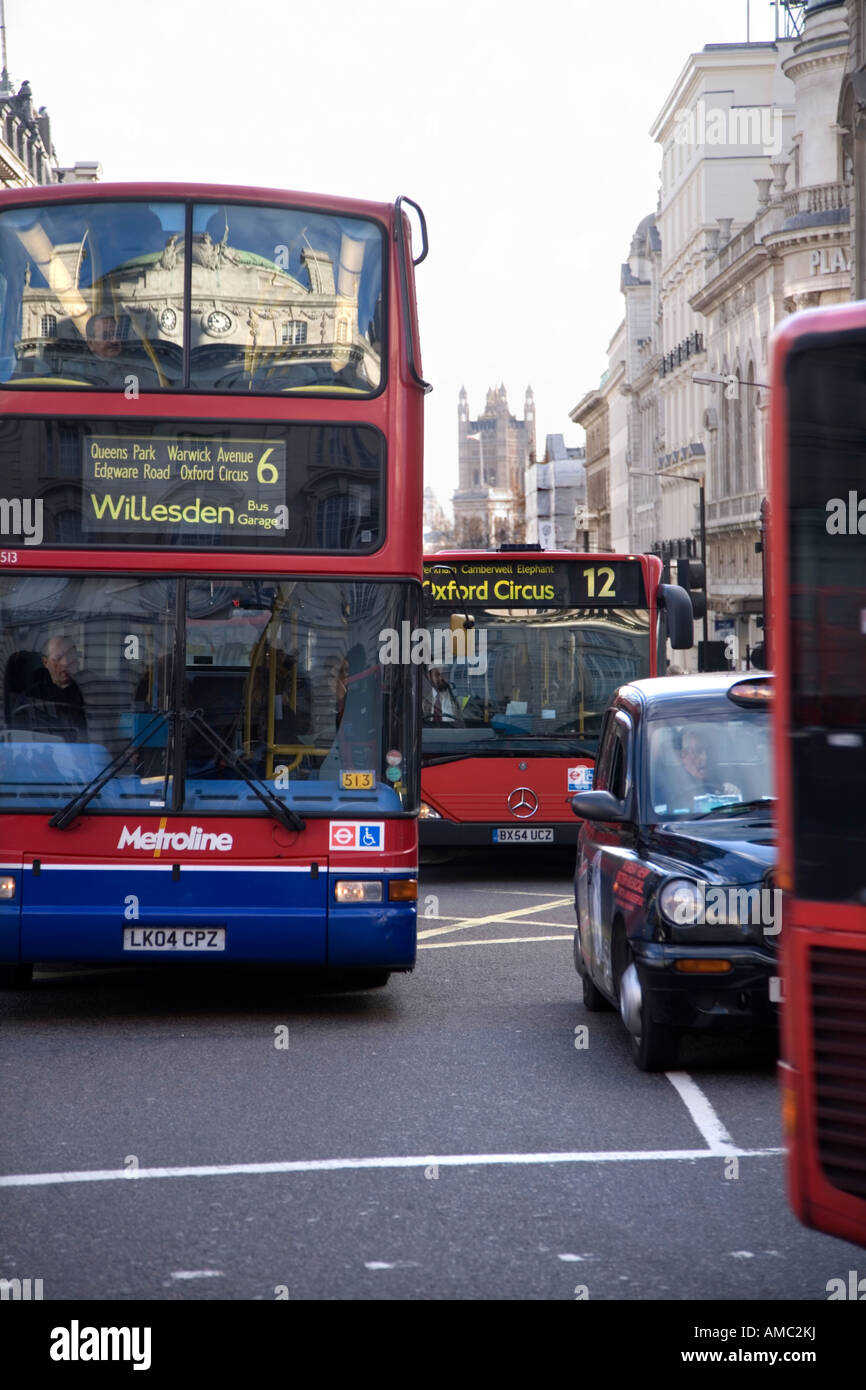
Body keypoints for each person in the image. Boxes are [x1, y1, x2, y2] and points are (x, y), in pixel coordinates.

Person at [21, 635, 87, 740]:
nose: (65, 663)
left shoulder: (89, 689)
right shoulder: (31, 697)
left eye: (70, 656)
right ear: (45, 662)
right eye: (58, 658)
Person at [677, 728, 740, 799]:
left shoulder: (727, 778)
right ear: (684, 755)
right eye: (698, 750)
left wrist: (734, 796)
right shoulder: (671, 785)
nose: (705, 757)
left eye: (709, 750)